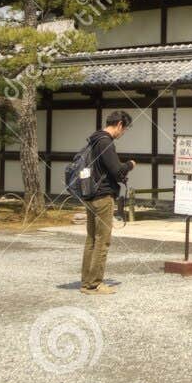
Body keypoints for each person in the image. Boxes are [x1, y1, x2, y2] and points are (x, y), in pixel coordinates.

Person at [80, 110, 136, 294]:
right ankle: (95, 283)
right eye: (124, 129)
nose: (123, 133)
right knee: (102, 240)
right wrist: (130, 165)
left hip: (90, 194)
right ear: (119, 124)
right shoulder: (106, 142)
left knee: (91, 239)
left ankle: (86, 282)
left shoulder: (94, 140)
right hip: (103, 196)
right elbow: (117, 171)